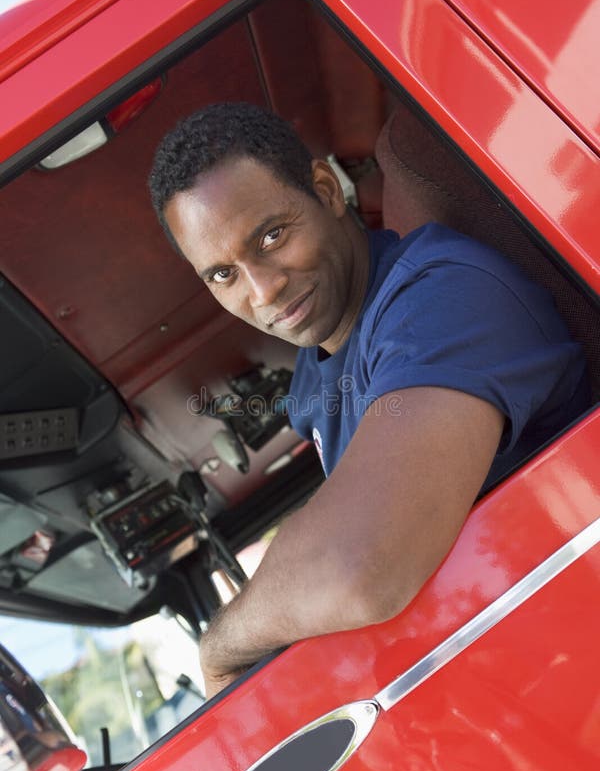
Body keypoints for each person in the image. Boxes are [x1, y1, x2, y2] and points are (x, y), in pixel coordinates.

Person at [149, 102, 589, 699]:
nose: (263, 288)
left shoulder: (442, 295)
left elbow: (359, 564)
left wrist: (220, 643)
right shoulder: (314, 374)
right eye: (223, 274)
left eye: (272, 236)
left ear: (327, 191)